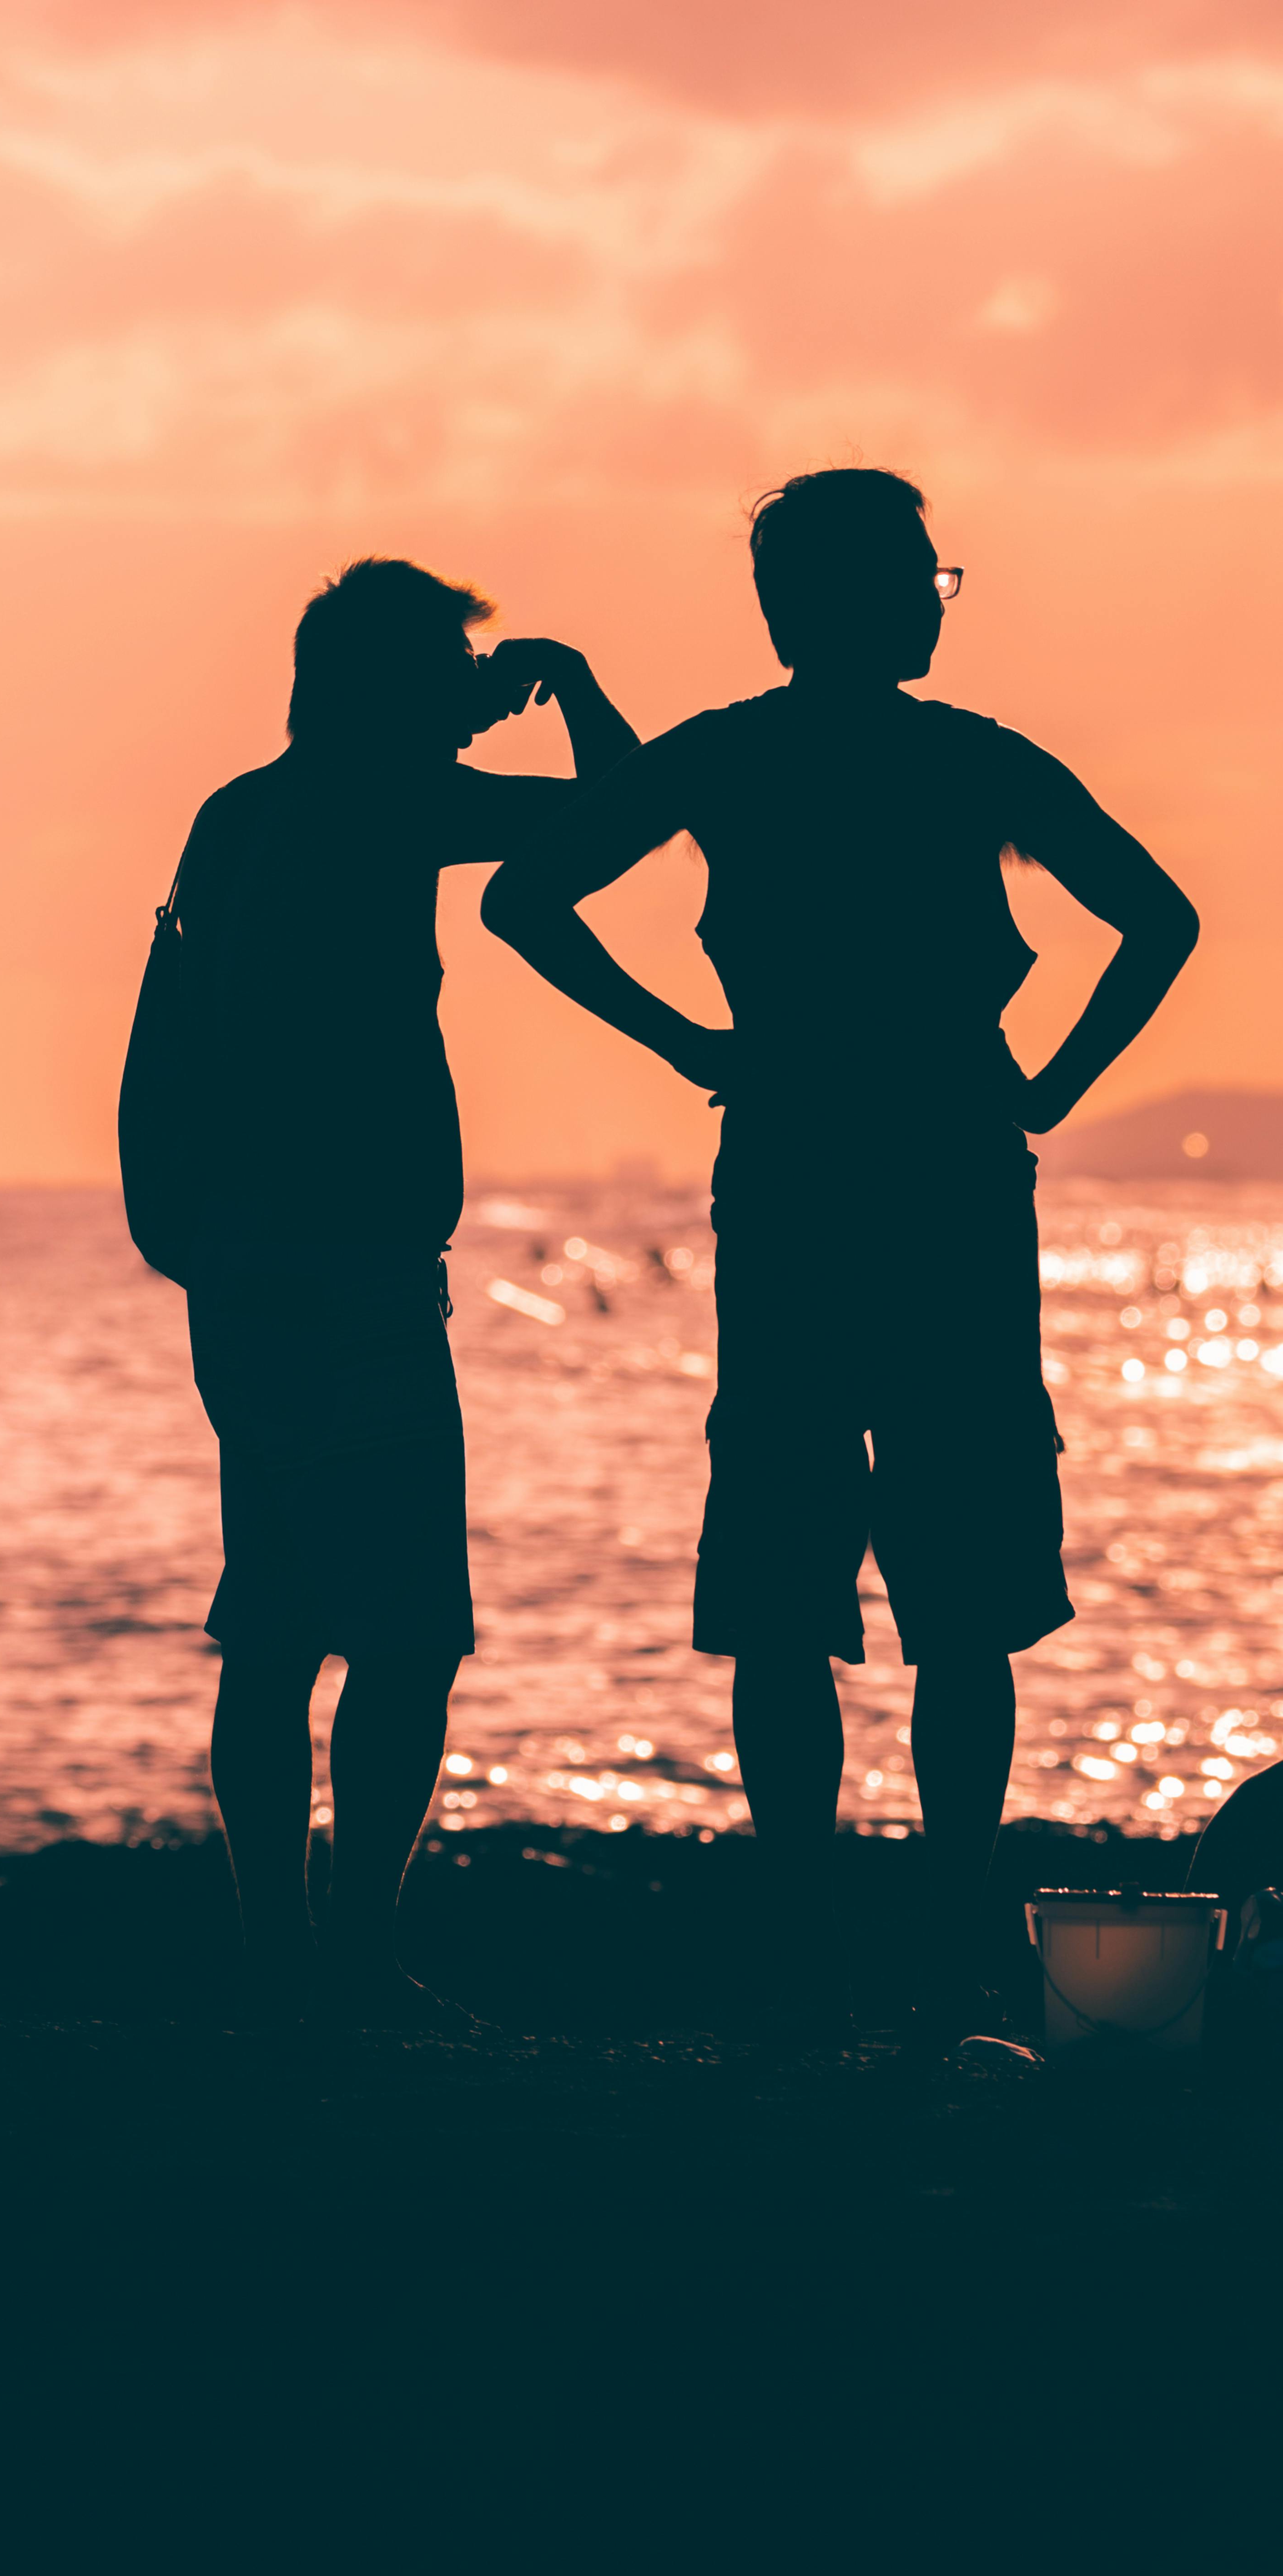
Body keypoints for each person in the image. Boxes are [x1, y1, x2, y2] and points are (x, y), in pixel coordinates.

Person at [481, 469, 1198, 2044]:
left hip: (795, 1178)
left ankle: (809, 1935)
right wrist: (1051, 1088)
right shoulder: (973, 765)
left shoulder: (730, 757)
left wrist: (689, 1040)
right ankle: (952, 1930)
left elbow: (527, 900)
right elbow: (1160, 920)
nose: (942, 605)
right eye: (930, 582)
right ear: (867, 600)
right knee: (967, 1591)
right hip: (948, 1185)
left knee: (787, 1576)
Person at [133, 556, 639, 2024]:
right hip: (350, 1271)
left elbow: (167, 1031)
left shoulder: (242, 813)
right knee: (407, 1632)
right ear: (391, 690)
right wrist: (576, 692)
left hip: (238, 1266)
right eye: (445, 681)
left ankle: (279, 1952)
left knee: (279, 1621)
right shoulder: (379, 801)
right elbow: (616, 821)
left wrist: (176, 1230)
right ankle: (354, 1954)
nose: (468, 710)